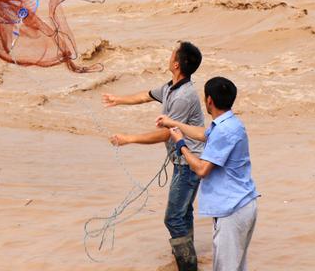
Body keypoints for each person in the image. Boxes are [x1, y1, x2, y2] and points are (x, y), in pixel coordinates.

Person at [102, 41, 204, 271]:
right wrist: (118, 100)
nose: (169, 57)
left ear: (176, 64)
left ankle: (188, 266)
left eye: (171, 55)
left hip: (189, 163)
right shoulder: (172, 87)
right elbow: (145, 96)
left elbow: (166, 135)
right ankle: (187, 260)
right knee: (183, 213)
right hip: (183, 161)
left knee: (173, 218)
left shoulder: (183, 97)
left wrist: (128, 139)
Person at [156, 77, 259, 271]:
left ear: (208, 100)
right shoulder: (230, 123)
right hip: (243, 204)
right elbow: (203, 134)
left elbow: (202, 169)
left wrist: (181, 145)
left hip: (232, 210)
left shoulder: (224, 131)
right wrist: (172, 123)